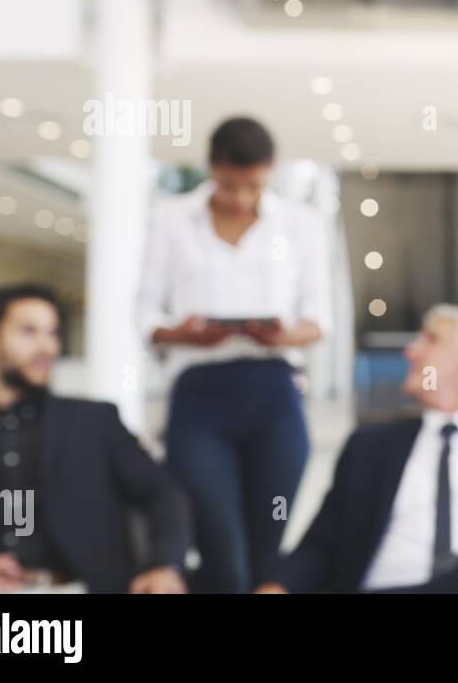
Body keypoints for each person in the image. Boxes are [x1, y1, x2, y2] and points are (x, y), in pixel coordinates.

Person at [137, 116, 333, 593]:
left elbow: (318, 319)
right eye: (230, 184)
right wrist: (179, 332)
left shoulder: (301, 224)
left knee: (266, 555)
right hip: (199, 397)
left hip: (274, 394)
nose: (242, 196)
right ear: (211, 167)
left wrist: (282, 337)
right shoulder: (170, 219)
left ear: (269, 173)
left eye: (254, 186)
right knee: (222, 553)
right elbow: (144, 312)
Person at [259, 305, 458, 593]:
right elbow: (320, 546)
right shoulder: (371, 446)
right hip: (387, 583)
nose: (410, 351)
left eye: (430, 339)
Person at [0, 284, 190, 594]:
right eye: (29, 332)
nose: (48, 347)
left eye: (53, 333)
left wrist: (164, 565)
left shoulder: (94, 422)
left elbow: (163, 493)